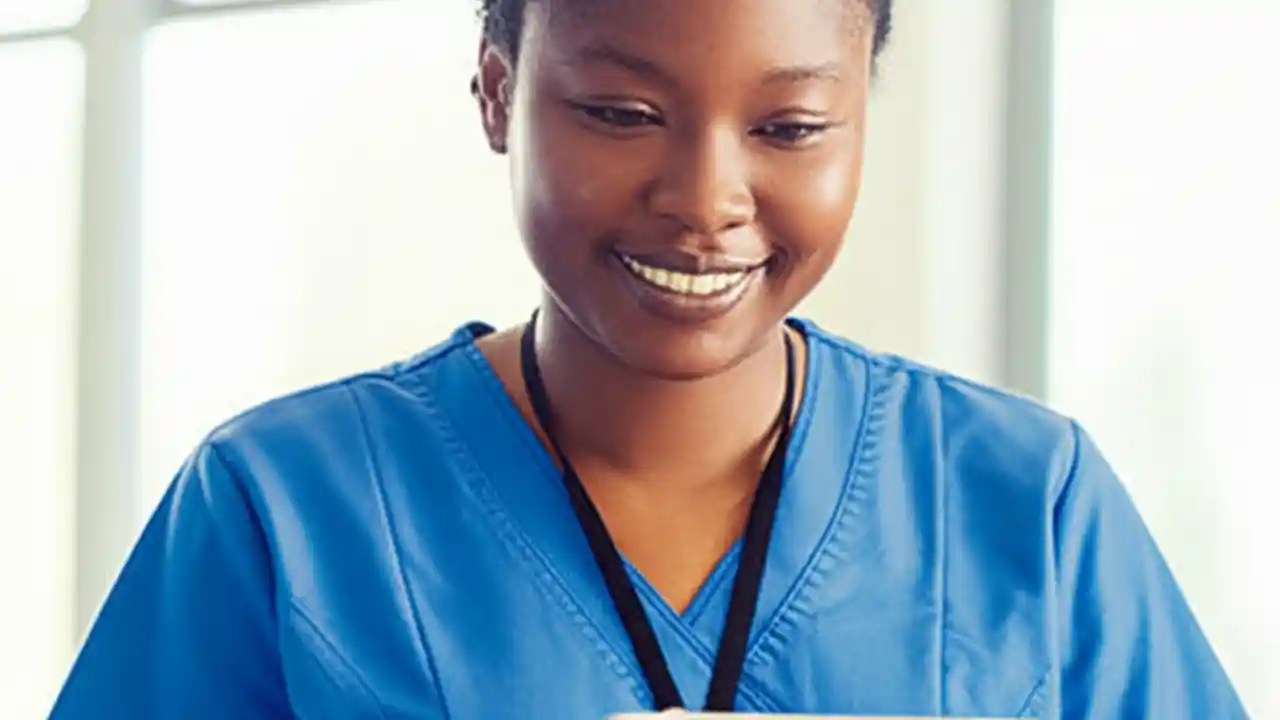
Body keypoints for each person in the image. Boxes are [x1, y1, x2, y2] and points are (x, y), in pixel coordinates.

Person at [53, 0, 1247, 717]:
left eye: (788, 128)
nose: (705, 198)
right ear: (496, 94)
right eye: (621, 114)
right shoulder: (281, 510)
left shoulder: (1029, 504)